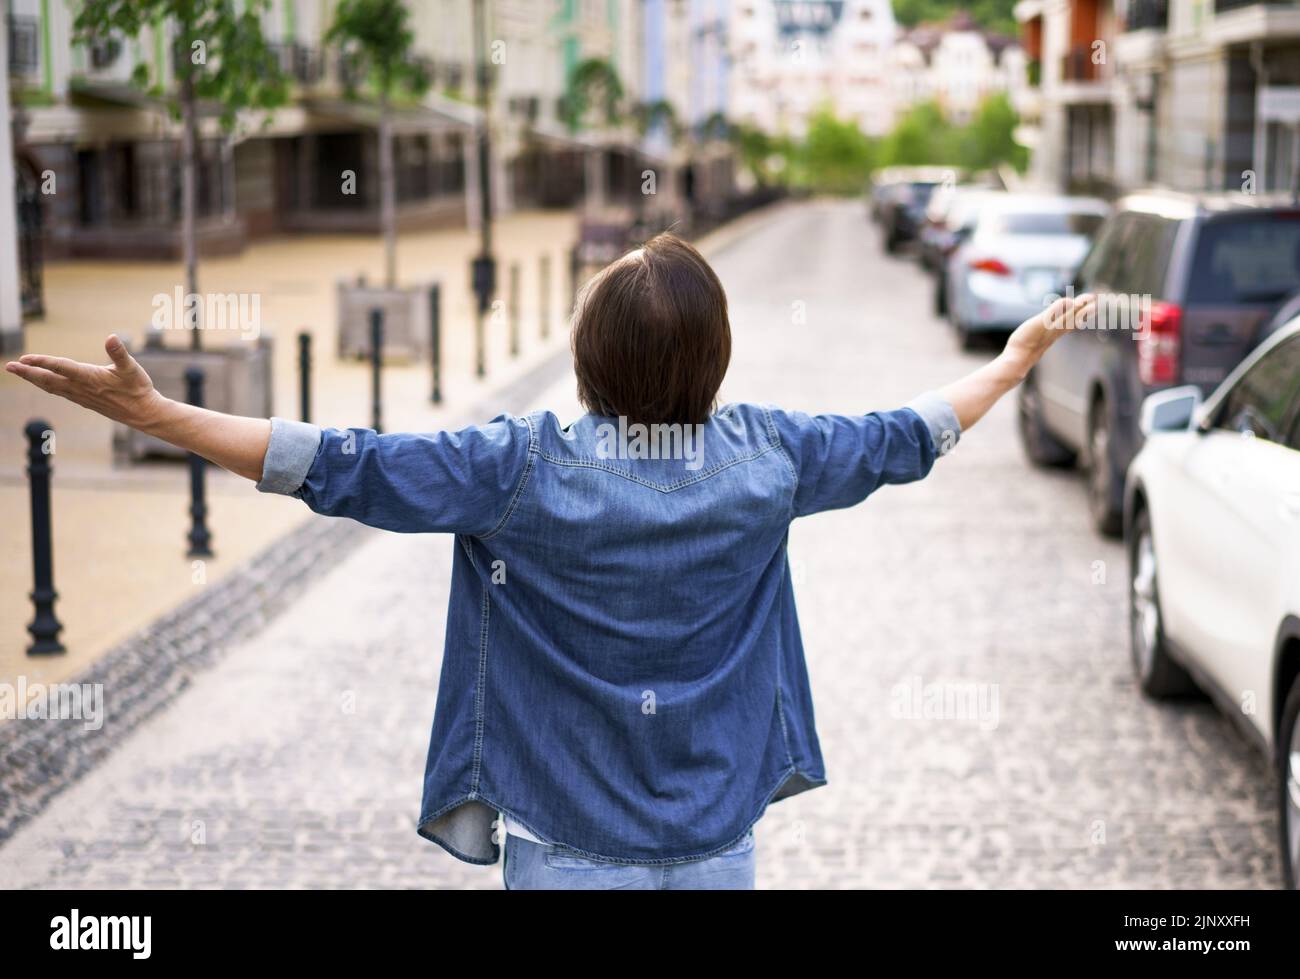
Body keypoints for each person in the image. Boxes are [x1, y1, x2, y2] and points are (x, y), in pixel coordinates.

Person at [6, 233, 1095, 890]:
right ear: (714, 354)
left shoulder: (518, 469)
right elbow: (903, 436)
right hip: (719, 844)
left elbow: (342, 466)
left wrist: (163, 416)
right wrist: (1006, 366)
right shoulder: (773, 457)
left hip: (566, 848)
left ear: (588, 355)